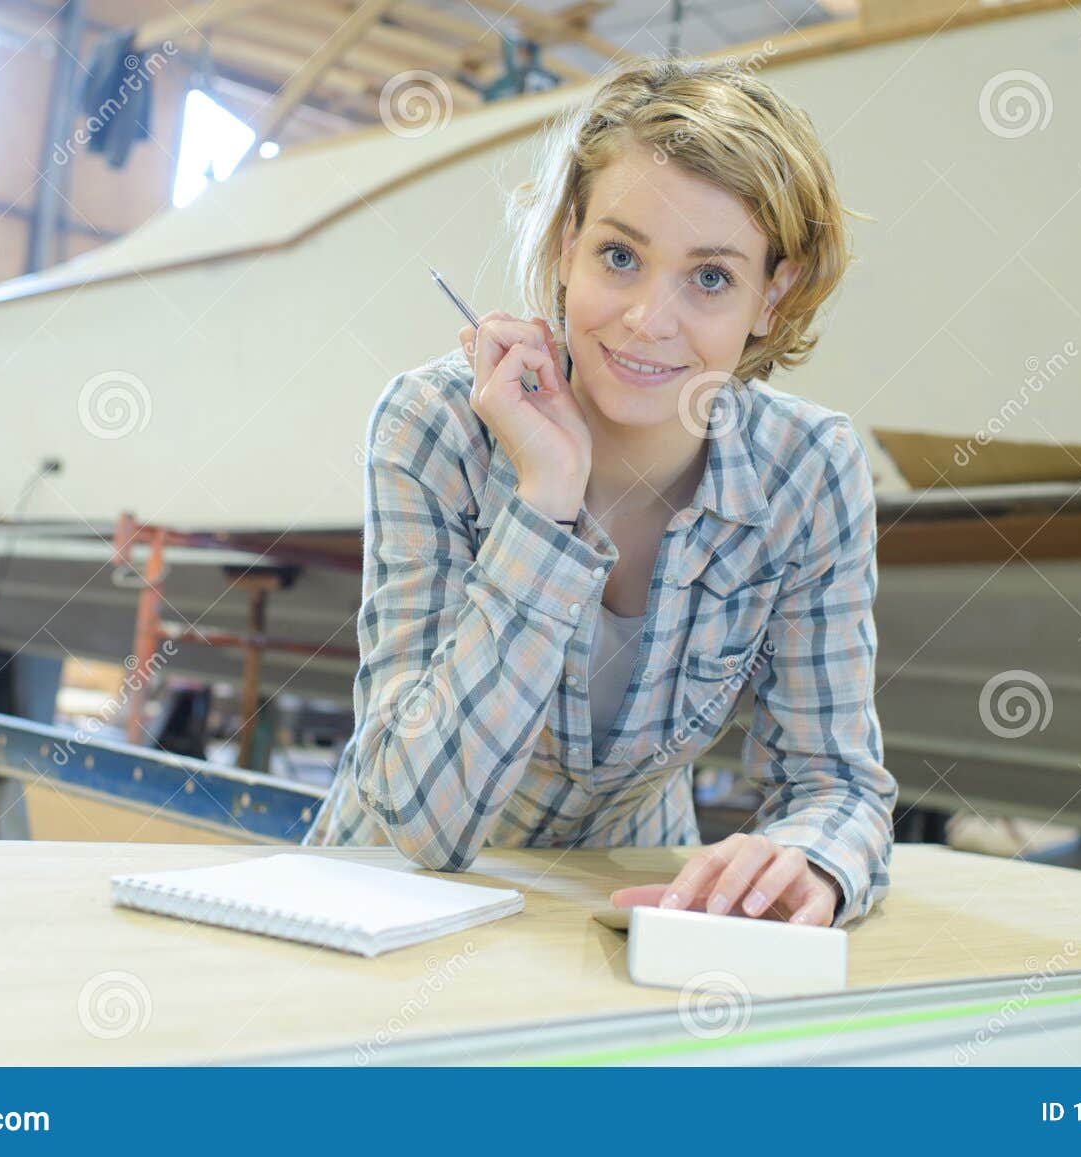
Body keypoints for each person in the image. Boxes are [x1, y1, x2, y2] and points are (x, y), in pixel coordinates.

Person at [304, 56, 895, 929]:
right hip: (386, 913)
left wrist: (811, 859)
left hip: (620, 915)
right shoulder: (434, 427)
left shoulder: (810, 471)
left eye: (711, 277)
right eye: (620, 256)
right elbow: (424, 825)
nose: (649, 319)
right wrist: (545, 498)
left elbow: (835, 783)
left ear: (775, 293)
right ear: (563, 244)